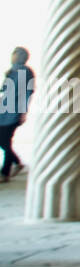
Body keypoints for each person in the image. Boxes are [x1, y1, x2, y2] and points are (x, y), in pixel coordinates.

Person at [0, 48, 35, 184]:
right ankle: (17, 163)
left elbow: (28, 92)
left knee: (4, 140)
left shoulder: (25, 71)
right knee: (3, 140)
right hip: (4, 110)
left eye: (13, 54)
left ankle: (5, 172)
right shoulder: (12, 70)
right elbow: (4, 89)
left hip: (15, 111)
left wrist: (24, 113)